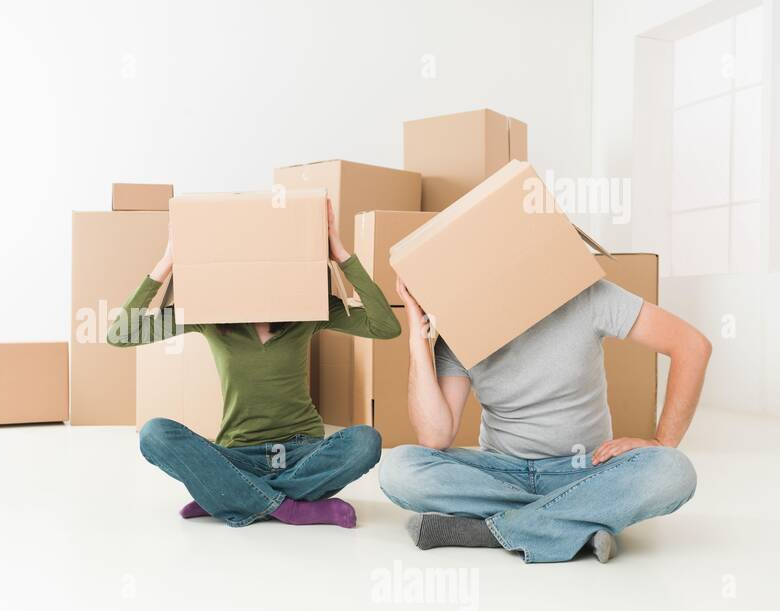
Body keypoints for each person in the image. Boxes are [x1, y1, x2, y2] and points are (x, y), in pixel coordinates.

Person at [378, 272, 710, 563]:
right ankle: (579, 523)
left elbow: (692, 346)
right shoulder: (463, 328)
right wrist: (417, 338)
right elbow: (435, 436)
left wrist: (660, 442)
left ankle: (495, 531)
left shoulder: (587, 294)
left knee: (674, 470)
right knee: (399, 469)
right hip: (501, 473)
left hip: (585, 469)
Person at [108, 199, 401, 528]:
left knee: (366, 442)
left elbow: (386, 327)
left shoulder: (309, 310)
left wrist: (341, 253)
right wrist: (169, 259)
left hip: (303, 452)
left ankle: (226, 495)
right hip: (238, 454)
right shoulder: (208, 313)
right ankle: (289, 507)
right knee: (154, 434)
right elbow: (121, 334)